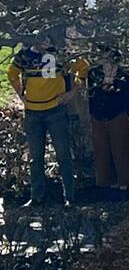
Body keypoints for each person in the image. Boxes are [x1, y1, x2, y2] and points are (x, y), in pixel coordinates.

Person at [8, 37, 88, 207]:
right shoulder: (25, 56)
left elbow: (83, 67)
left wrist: (72, 92)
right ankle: (37, 197)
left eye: (46, 39)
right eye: (40, 39)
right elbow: (11, 74)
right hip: (32, 113)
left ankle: (69, 196)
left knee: (63, 155)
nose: (44, 42)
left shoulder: (60, 54)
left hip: (55, 111)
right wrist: (21, 95)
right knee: (36, 158)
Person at [87, 46, 129, 196]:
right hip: (98, 117)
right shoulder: (94, 74)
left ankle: (125, 182)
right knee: (101, 150)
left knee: (121, 149)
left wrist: (125, 114)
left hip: (117, 115)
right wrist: (93, 113)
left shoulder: (125, 76)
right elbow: (90, 95)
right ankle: (105, 183)